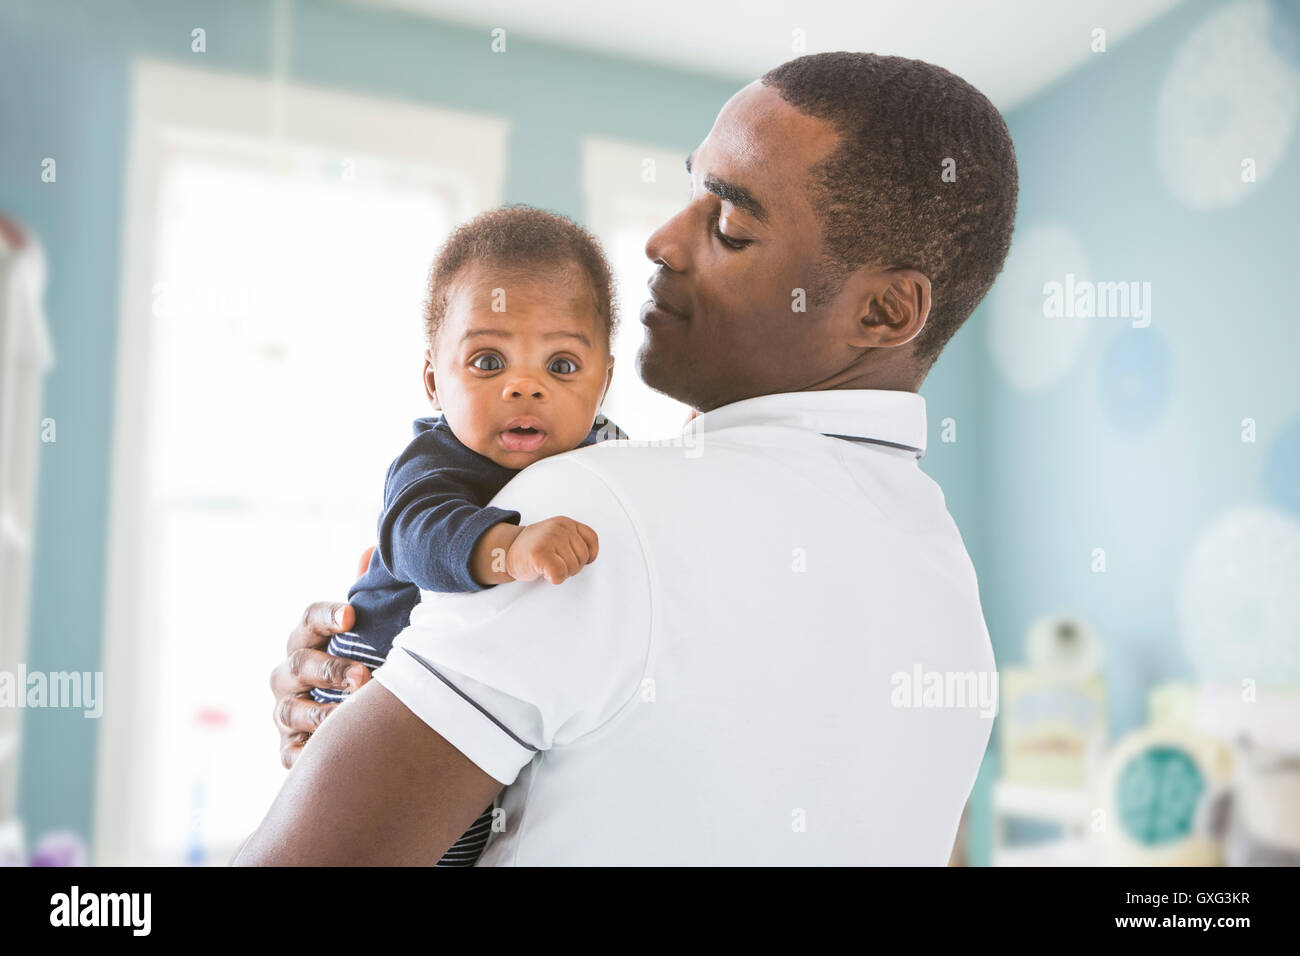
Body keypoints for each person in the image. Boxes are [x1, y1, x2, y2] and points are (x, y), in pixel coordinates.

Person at [239, 51, 1018, 866]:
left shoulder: (579, 519)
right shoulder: (954, 600)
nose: (661, 241)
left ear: (887, 310)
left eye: (731, 226)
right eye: (691, 193)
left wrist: (343, 744)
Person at [308, 205, 628, 866]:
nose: (525, 386)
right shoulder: (436, 460)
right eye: (488, 360)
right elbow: (412, 535)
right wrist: (507, 548)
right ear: (434, 379)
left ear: (603, 382)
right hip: (374, 678)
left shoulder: (603, 452)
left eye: (563, 366)